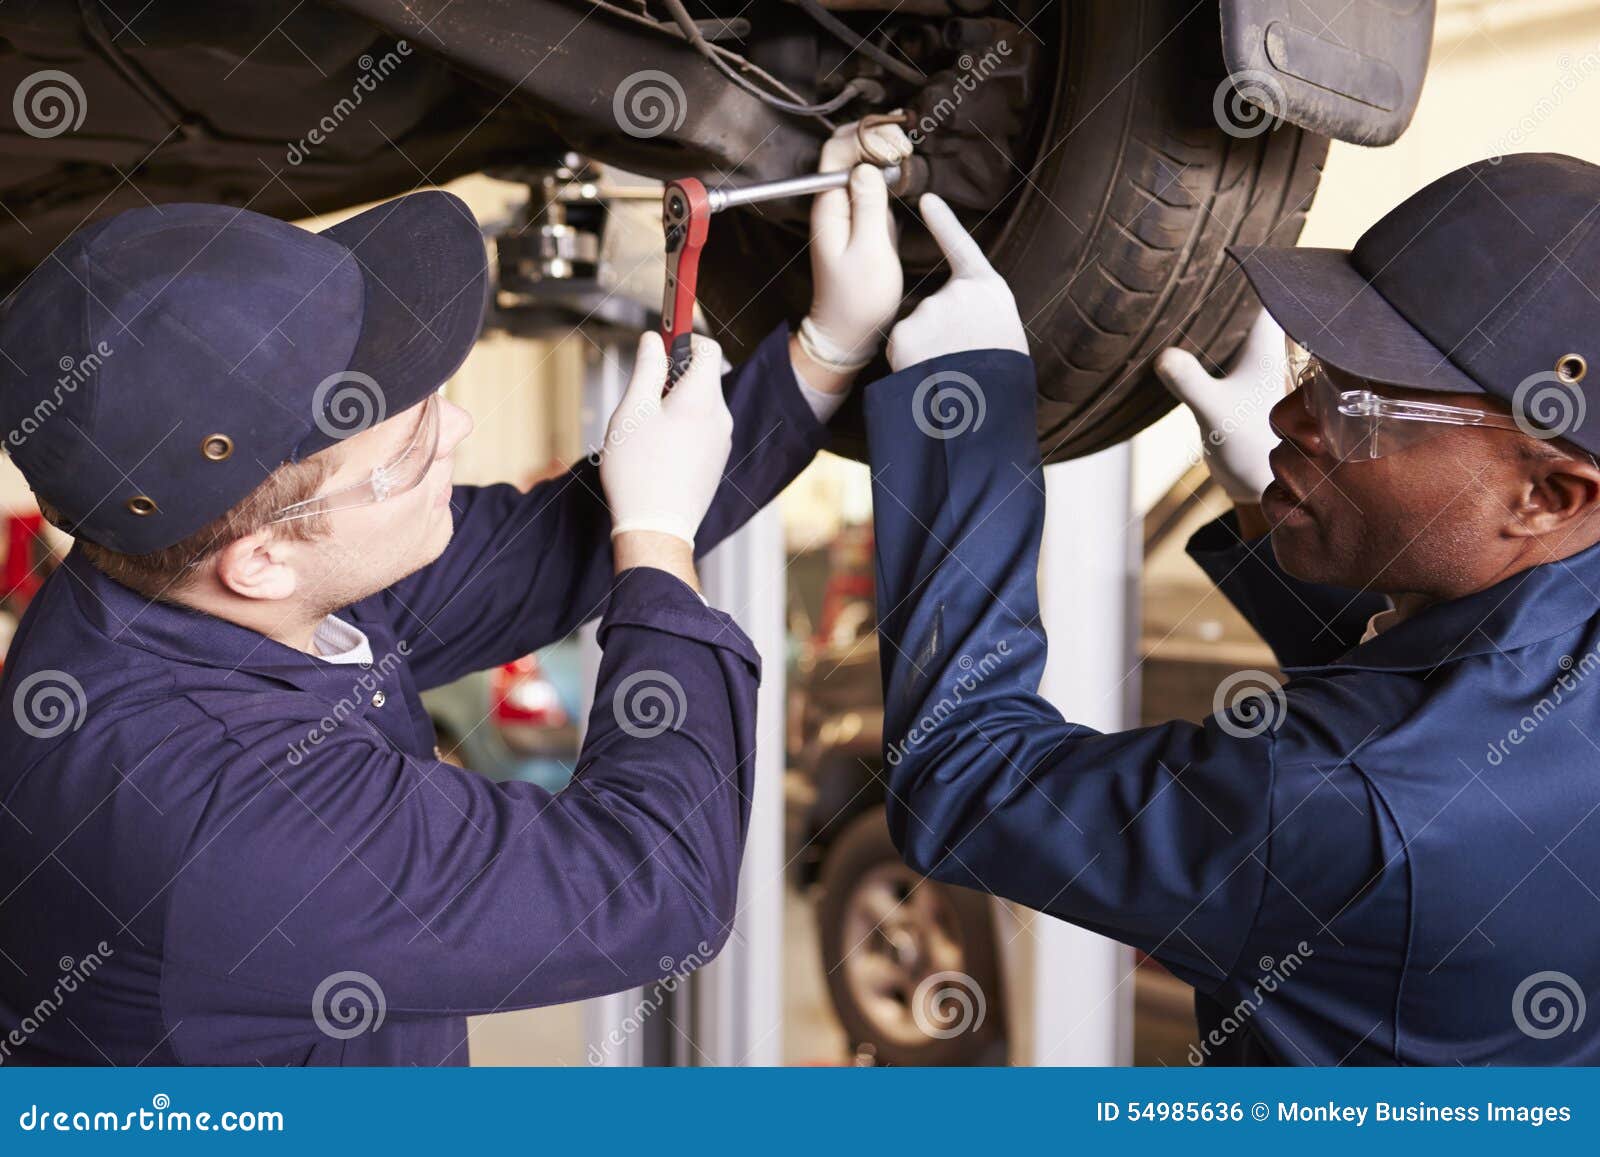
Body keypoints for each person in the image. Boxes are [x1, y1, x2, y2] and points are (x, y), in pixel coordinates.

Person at [0, 123, 911, 1066]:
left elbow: (543, 551)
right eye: (408, 443)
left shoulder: (194, 577)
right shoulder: (229, 822)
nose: (461, 426)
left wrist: (825, 347)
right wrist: (660, 543)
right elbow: (651, 882)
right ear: (259, 558)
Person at [866, 152, 1600, 1064]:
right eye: (1317, 364)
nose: (1295, 414)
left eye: (1361, 405)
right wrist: (1273, 509)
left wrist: (962, 414)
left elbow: (963, 777)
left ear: (1550, 496)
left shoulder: (1336, 804)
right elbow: (1461, 697)